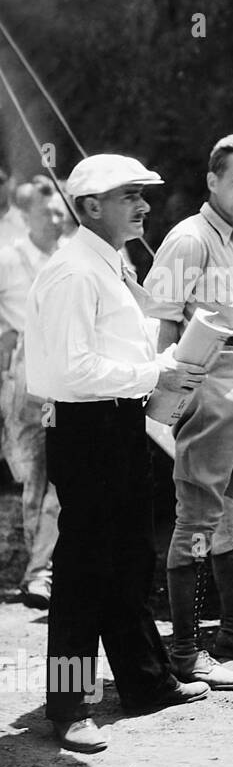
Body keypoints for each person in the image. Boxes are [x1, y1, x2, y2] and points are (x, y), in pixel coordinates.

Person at [25, 154, 210, 752]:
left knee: (130, 558)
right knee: (81, 574)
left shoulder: (109, 262)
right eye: (128, 195)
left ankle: (145, 681)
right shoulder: (75, 272)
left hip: (121, 425)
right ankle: (68, 703)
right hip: (87, 432)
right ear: (88, 208)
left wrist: (153, 376)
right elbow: (70, 370)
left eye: (143, 194)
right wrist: (153, 370)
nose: (143, 205)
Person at [143, 135, 233, 690]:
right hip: (210, 376)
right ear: (212, 182)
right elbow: (162, 321)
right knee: (197, 512)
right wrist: (173, 399)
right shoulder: (189, 239)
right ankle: (183, 649)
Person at [0, 177, 67, 607]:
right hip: (24, 378)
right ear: (25, 216)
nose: (58, 220)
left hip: (67, 375)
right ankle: (37, 568)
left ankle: (42, 571)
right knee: (32, 477)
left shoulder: (70, 259)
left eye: (62, 211)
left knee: (62, 475)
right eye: (48, 213)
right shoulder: (8, 259)